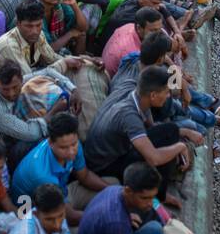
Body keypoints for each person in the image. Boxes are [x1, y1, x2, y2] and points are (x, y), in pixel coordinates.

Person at [84, 65, 197, 209]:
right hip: (104, 165)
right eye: (166, 92)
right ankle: (159, 195)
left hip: (113, 151)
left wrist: (185, 133)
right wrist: (180, 146)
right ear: (153, 95)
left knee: (171, 130)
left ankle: (161, 190)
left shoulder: (137, 97)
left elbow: (153, 128)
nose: (168, 96)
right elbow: (154, 158)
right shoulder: (130, 116)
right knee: (166, 143)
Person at [9, 112, 109, 222]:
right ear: (50, 143)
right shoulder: (41, 174)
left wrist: (115, 191)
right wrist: (106, 216)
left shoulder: (73, 145)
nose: (71, 152)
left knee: (113, 185)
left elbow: (84, 176)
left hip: (61, 193)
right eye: (64, 148)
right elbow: (70, 216)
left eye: (74, 144)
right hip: (37, 214)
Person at [76, 162, 166, 234]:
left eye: (153, 197)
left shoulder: (114, 189)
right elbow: (115, 224)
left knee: (154, 228)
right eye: (144, 198)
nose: (150, 203)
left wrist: (127, 217)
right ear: (128, 191)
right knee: (155, 231)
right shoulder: (117, 224)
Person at [2, 183, 79, 234]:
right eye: (49, 219)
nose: (57, 225)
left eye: (61, 216)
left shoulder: (58, 215)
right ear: (36, 214)